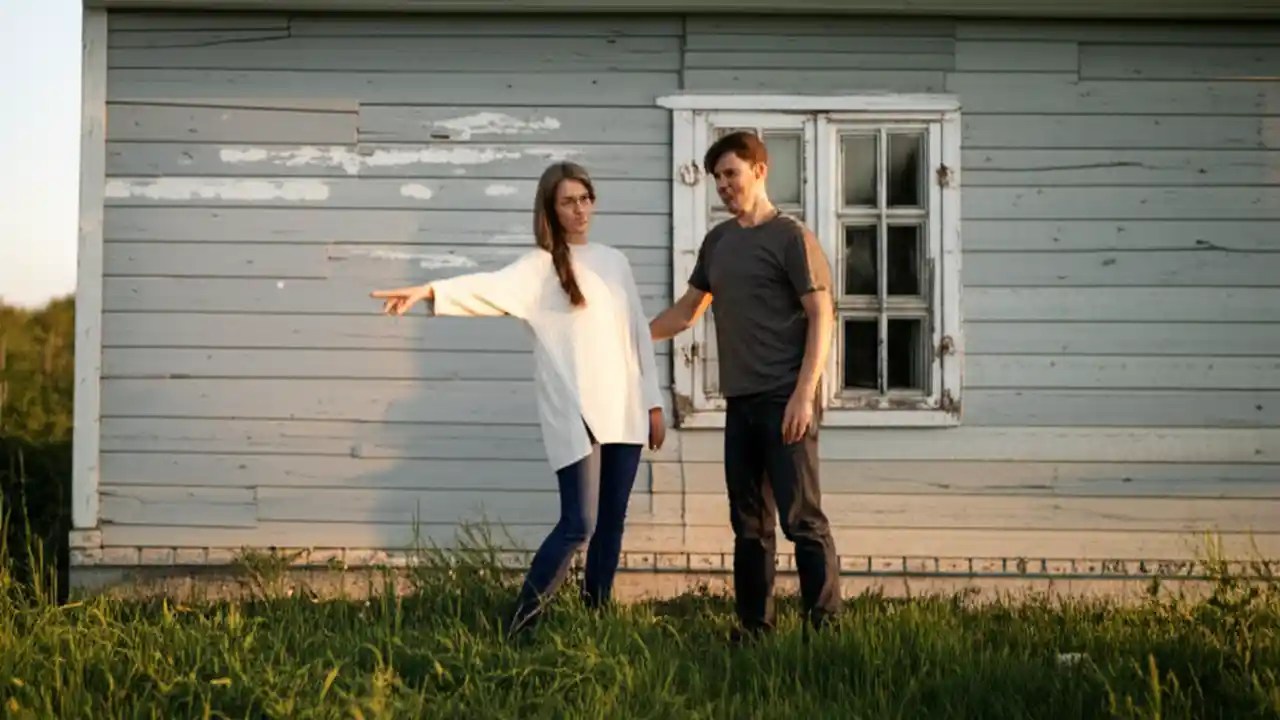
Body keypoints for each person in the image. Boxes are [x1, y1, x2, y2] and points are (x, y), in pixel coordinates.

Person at [370, 162, 666, 638]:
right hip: (577, 414)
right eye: (568, 201)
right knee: (579, 523)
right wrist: (427, 290)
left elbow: (636, 335)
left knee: (612, 522)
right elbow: (486, 288)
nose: (580, 209)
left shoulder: (615, 262)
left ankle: (596, 619)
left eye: (585, 198)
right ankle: (522, 623)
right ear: (551, 207)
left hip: (626, 409)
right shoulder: (538, 267)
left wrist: (652, 403)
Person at [649, 131, 841, 638]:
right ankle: (755, 629)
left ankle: (825, 629)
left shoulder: (791, 237)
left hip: (787, 398)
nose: (723, 186)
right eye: (717, 178)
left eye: (731, 174)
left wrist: (804, 393)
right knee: (749, 524)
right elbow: (688, 312)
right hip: (741, 402)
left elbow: (823, 315)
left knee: (802, 521)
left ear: (760, 170)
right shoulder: (719, 242)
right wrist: (627, 335)